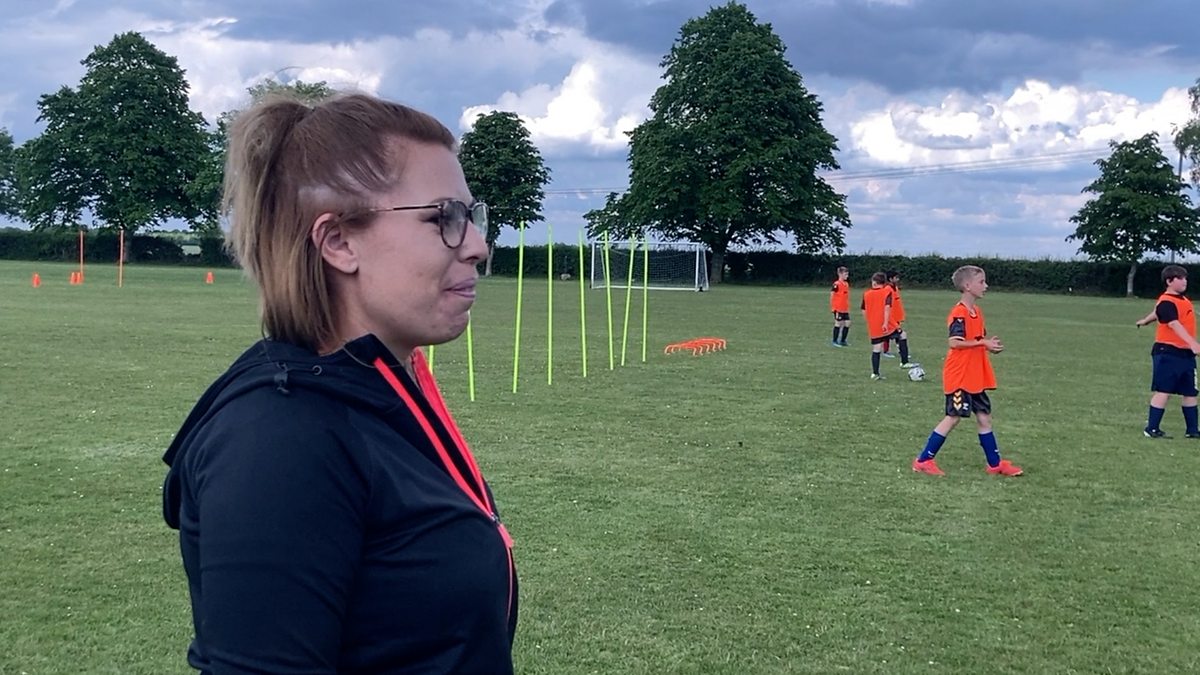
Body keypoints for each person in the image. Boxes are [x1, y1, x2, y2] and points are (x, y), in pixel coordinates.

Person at [161, 92, 517, 673]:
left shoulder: (384, 392)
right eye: (443, 218)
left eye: (471, 216)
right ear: (339, 243)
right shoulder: (280, 441)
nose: (477, 246)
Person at [912, 265, 1023, 477]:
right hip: (960, 376)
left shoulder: (977, 312)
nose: (986, 286)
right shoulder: (959, 313)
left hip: (975, 376)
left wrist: (988, 345)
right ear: (967, 286)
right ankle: (923, 460)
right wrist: (983, 344)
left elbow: (978, 340)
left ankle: (995, 464)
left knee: (984, 418)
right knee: (953, 417)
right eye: (981, 282)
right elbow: (954, 342)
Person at [1136, 265, 1200, 438]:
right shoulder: (1166, 301)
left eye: (1185, 278)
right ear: (1169, 281)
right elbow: (1173, 323)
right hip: (1168, 351)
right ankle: (1152, 429)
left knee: (1190, 392)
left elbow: (1157, 313)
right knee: (1164, 390)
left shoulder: (1182, 300)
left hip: (1186, 354)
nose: (1185, 281)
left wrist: (1145, 320)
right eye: (1180, 278)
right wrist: (1193, 343)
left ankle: (1193, 431)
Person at [861, 271, 902, 380]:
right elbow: (887, 308)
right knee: (902, 335)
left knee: (876, 348)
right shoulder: (885, 292)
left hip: (873, 325)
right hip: (886, 324)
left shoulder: (866, 294)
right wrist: (885, 322)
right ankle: (904, 361)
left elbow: (863, 310)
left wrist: (869, 320)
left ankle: (875, 373)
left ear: (874, 282)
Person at [882, 269, 917, 368]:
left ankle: (902, 354)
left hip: (895, 317)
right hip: (889, 319)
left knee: (899, 336)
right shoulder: (887, 289)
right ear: (890, 279)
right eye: (895, 277)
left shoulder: (895, 288)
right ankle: (897, 357)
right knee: (893, 335)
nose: (897, 279)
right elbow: (886, 306)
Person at [830, 266, 851, 346]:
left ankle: (843, 340)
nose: (847, 276)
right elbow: (832, 295)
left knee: (848, 323)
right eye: (845, 274)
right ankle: (834, 341)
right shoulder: (836, 284)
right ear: (840, 274)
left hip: (845, 308)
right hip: (838, 308)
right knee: (838, 323)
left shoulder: (846, 284)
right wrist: (833, 307)